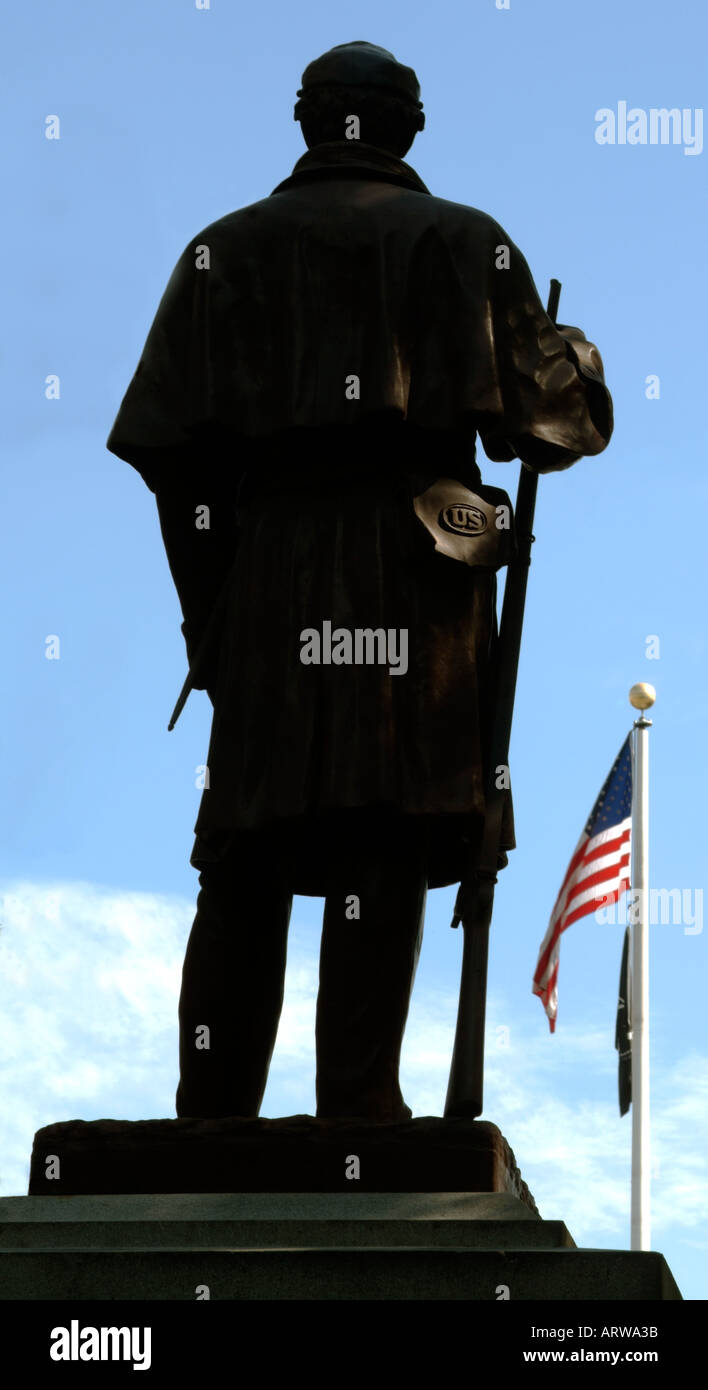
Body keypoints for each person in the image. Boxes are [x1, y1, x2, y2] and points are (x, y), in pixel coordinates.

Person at [106, 41, 613, 1123]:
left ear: (303, 121)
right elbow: (563, 423)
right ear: (410, 128)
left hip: (270, 576)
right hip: (412, 578)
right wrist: (577, 353)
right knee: (376, 843)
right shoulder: (466, 242)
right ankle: (359, 1109)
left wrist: (212, 617)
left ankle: (215, 1116)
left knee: (248, 844)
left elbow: (168, 460)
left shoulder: (222, 251)